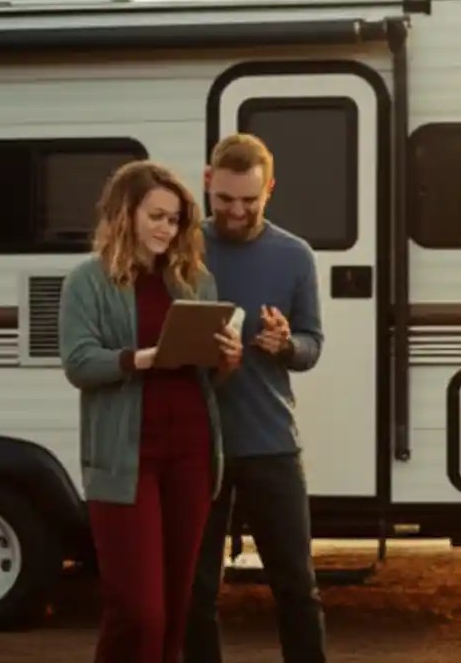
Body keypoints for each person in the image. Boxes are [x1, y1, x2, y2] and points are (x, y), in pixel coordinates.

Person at [57, 160, 243, 663]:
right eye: (156, 215)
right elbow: (77, 363)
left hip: (193, 454)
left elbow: (206, 376)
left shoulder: (194, 281)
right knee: (139, 612)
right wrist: (143, 359)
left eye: (175, 219)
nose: (166, 228)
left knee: (177, 610)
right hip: (124, 459)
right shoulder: (87, 282)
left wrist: (227, 360)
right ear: (125, 213)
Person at [183, 133, 327, 663]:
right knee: (196, 591)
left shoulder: (295, 255)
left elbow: (314, 345)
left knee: (295, 584)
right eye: (224, 200)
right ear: (207, 183)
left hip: (271, 442)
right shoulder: (183, 247)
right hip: (200, 443)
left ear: (270, 189)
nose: (236, 211)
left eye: (250, 200)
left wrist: (286, 345)